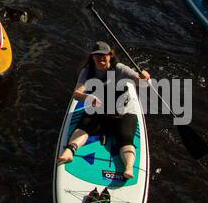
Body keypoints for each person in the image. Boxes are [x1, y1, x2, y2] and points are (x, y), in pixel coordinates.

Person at [55, 42, 151, 181]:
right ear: (92, 57)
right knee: (83, 127)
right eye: (97, 55)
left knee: (125, 136)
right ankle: (69, 151)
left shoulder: (119, 69)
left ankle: (129, 167)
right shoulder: (87, 71)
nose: (100, 58)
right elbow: (77, 94)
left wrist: (145, 76)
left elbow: (141, 82)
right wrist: (88, 97)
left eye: (104, 55)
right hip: (99, 110)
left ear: (110, 56)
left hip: (122, 113)